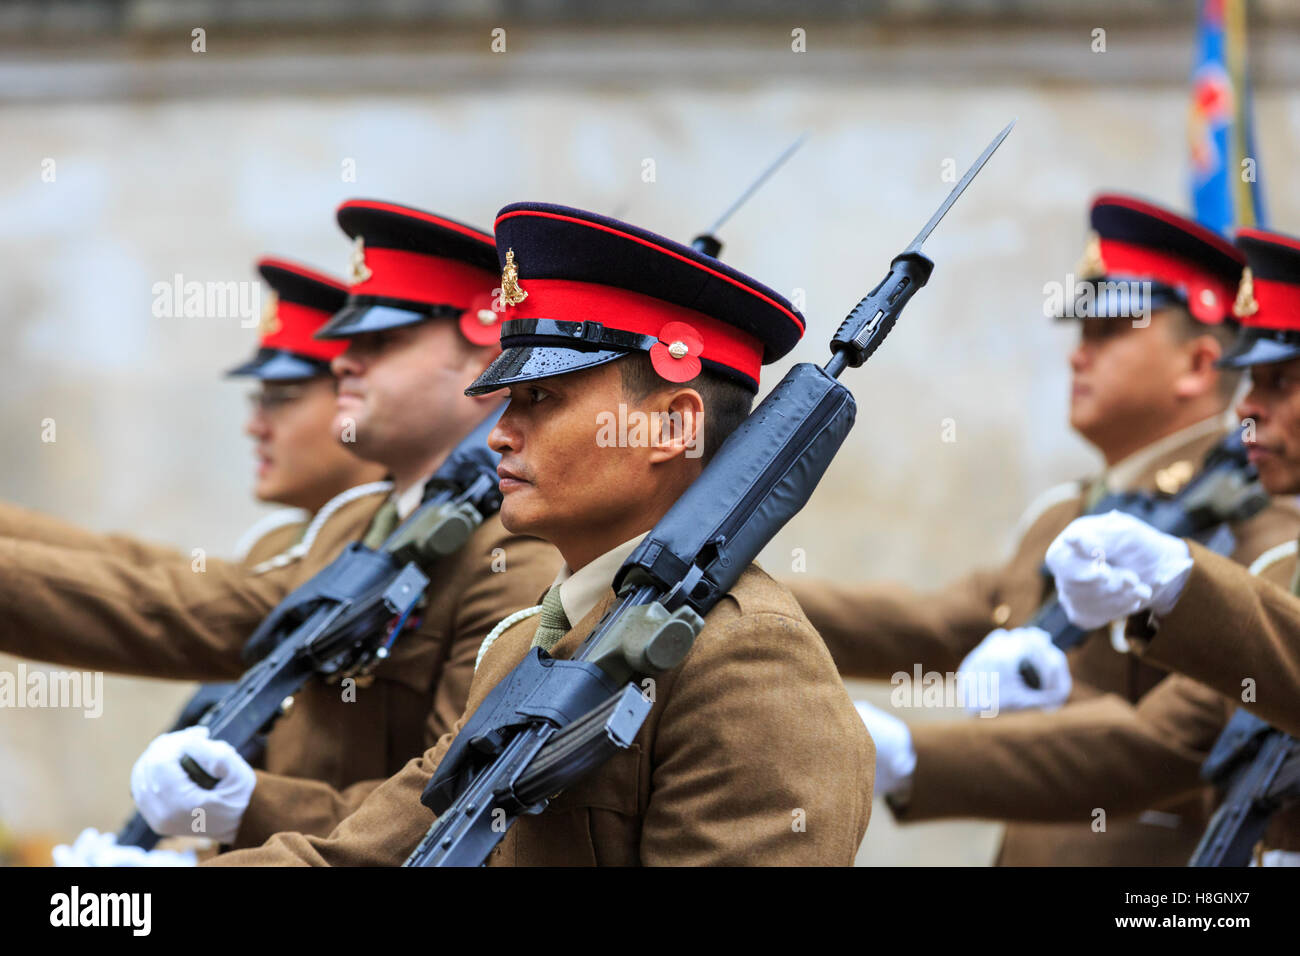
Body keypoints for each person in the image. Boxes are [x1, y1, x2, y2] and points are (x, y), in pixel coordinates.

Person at [206, 200, 874, 866]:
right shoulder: (529, 643)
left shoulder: (747, 660)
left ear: (671, 426)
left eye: (540, 399)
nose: (497, 433)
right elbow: (355, 856)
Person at [0, 201, 560, 859]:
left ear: (485, 355)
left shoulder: (517, 546)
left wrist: (238, 816)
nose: (344, 363)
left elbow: (451, 800)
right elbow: (181, 602)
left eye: (379, 342)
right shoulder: (360, 522)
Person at [795, 194, 1300, 865]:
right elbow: (945, 624)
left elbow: (1171, 741)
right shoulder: (1071, 512)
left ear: (1199, 365)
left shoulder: (1260, 531)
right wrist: (740, 594)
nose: (1075, 359)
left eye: (1107, 335)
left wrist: (910, 754)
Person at [1051, 225, 1300, 741]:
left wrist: (1179, 581)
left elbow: (1161, 749)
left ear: (1198, 365)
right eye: (1253, 381)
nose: (1247, 407)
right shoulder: (1281, 565)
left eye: (1279, 381)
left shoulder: (1263, 541)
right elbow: (1174, 734)